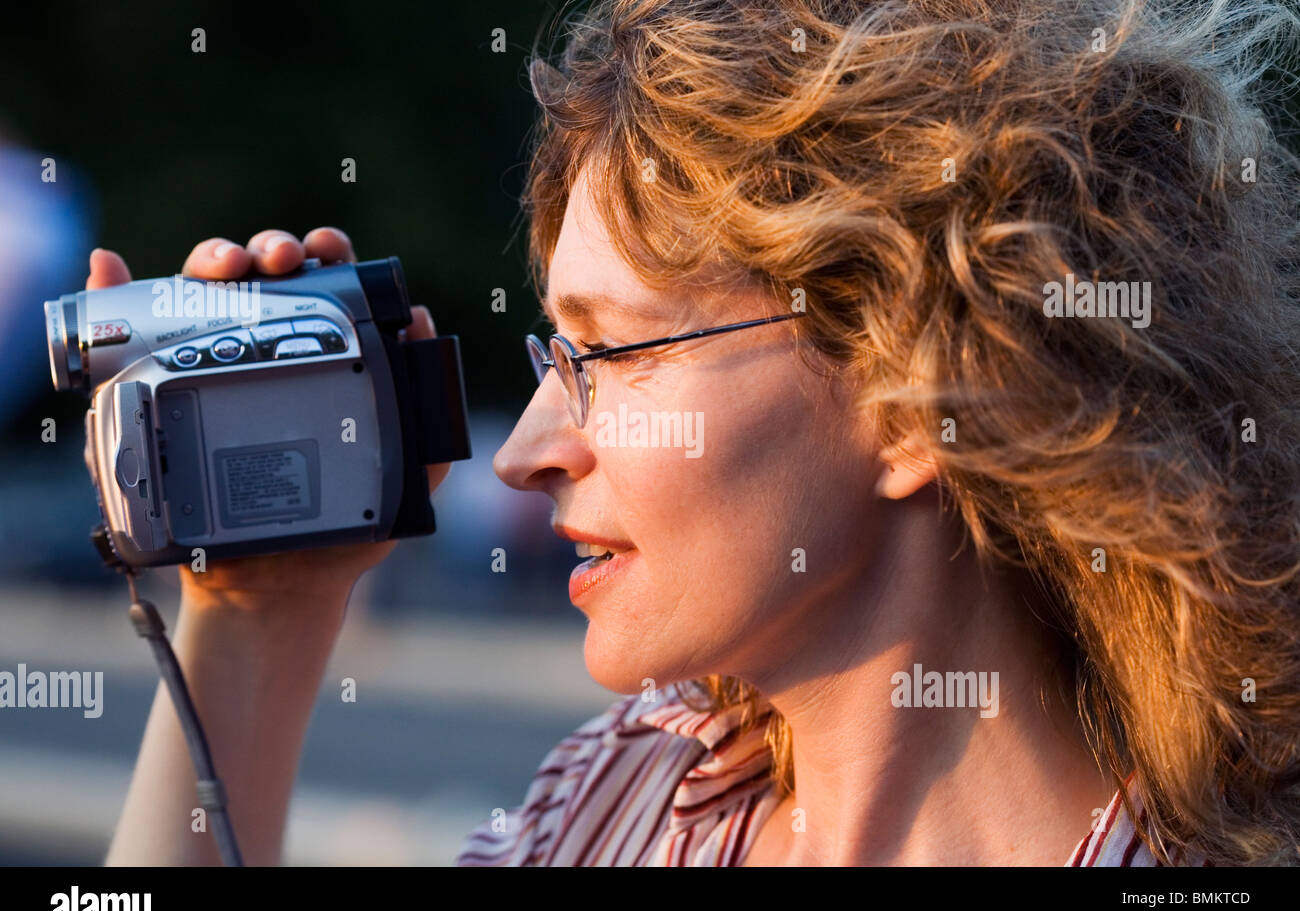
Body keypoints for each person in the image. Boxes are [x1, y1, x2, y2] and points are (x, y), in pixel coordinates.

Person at [107, 0, 1300, 866]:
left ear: (910, 399)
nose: (523, 455)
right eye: (550, 355)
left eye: (611, 353)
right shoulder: (619, 791)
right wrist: (257, 628)